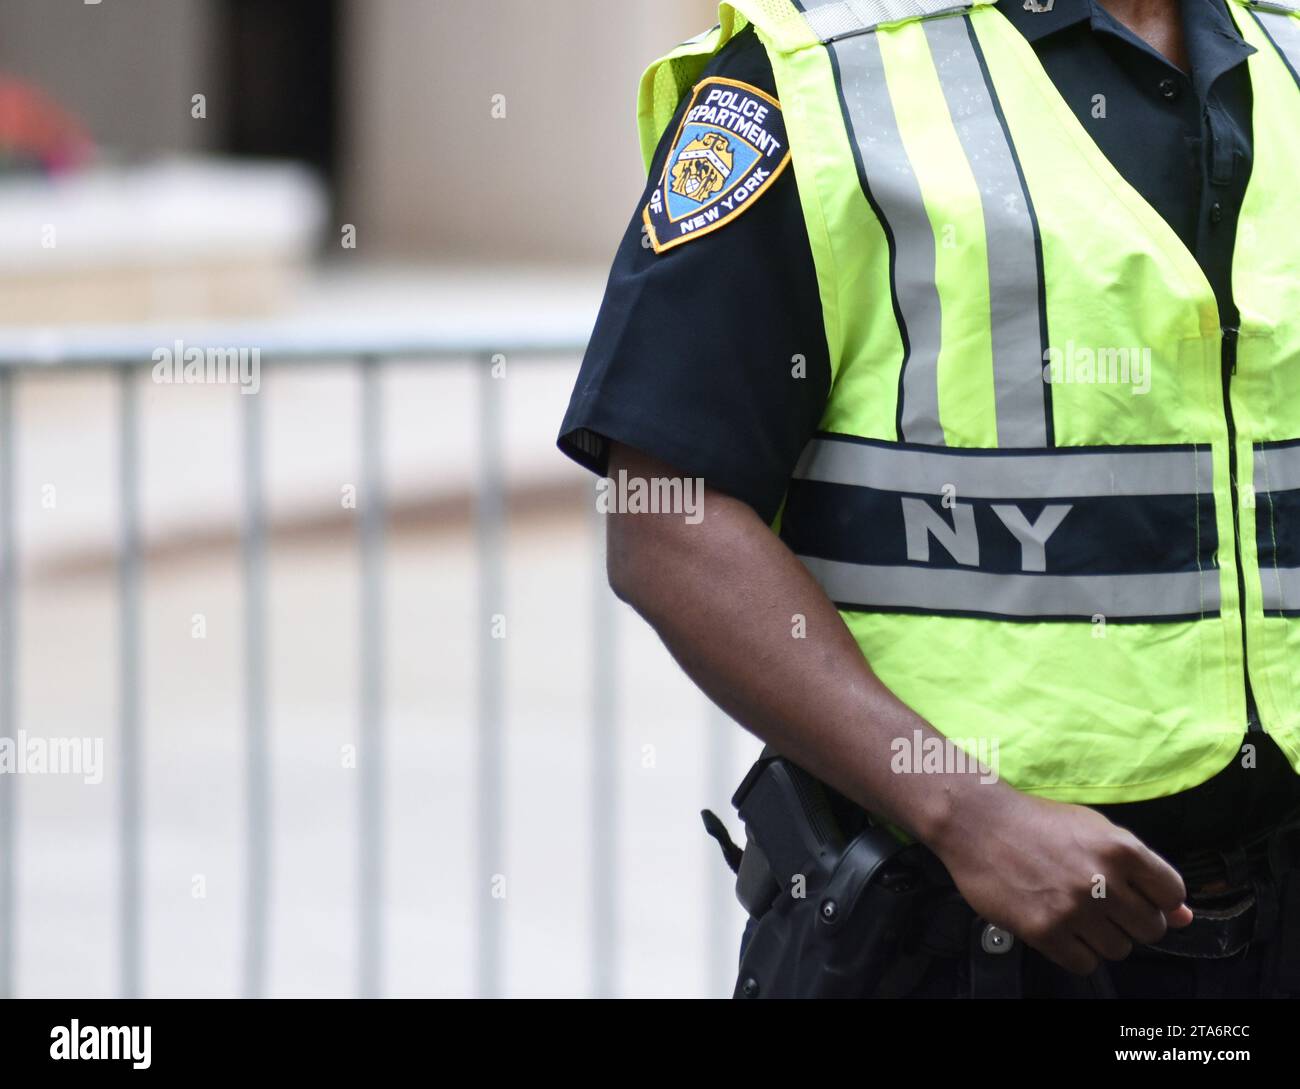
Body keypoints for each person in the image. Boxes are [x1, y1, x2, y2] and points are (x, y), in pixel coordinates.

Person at [557, 0, 1300, 997]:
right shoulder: (818, 74)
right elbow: (667, 518)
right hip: (951, 928)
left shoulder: (1284, 55)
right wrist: (965, 811)